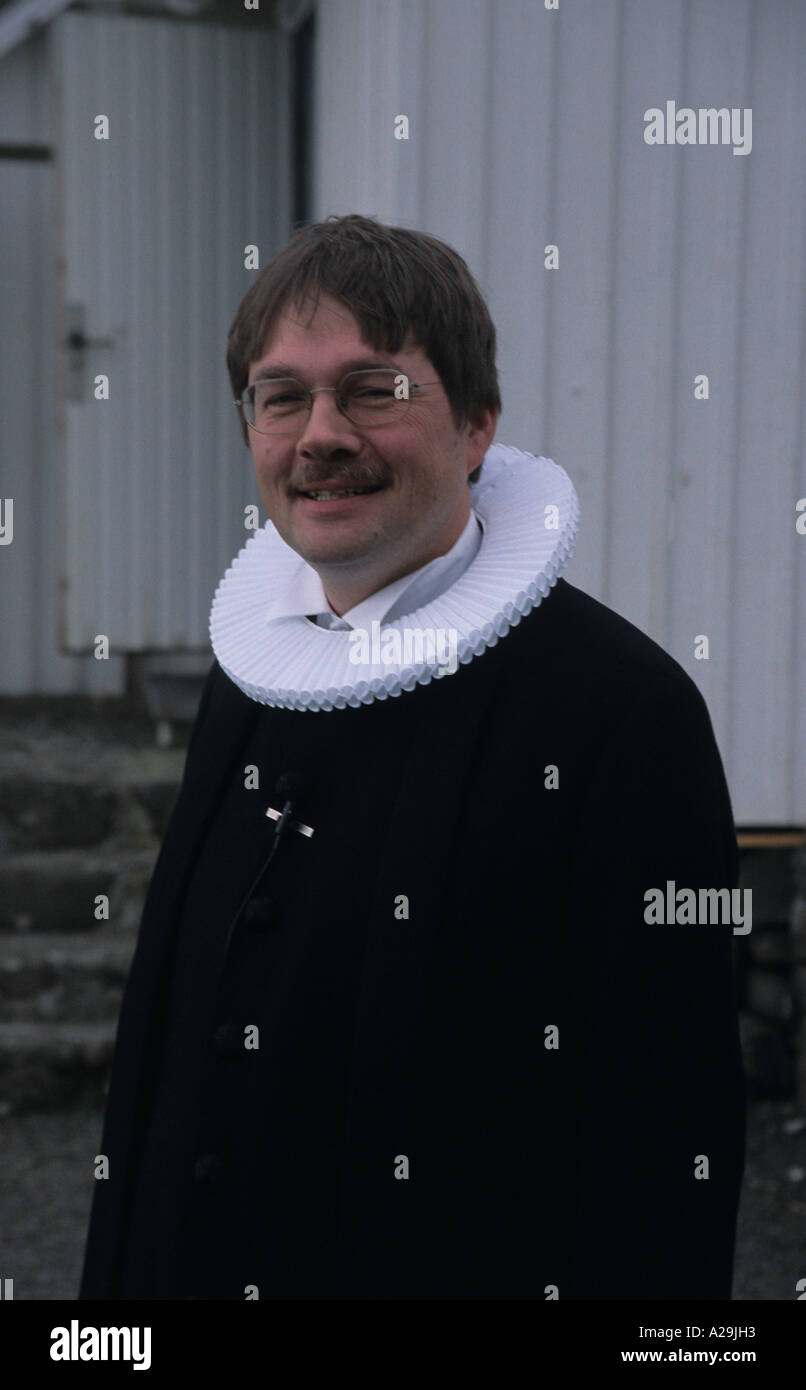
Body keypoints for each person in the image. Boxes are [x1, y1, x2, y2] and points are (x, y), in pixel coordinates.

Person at [79, 213, 745, 1301]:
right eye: (280, 395)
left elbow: (664, 1144)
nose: (319, 434)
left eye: (372, 389)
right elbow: (156, 1073)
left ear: (477, 425)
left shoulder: (620, 715)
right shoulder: (247, 687)